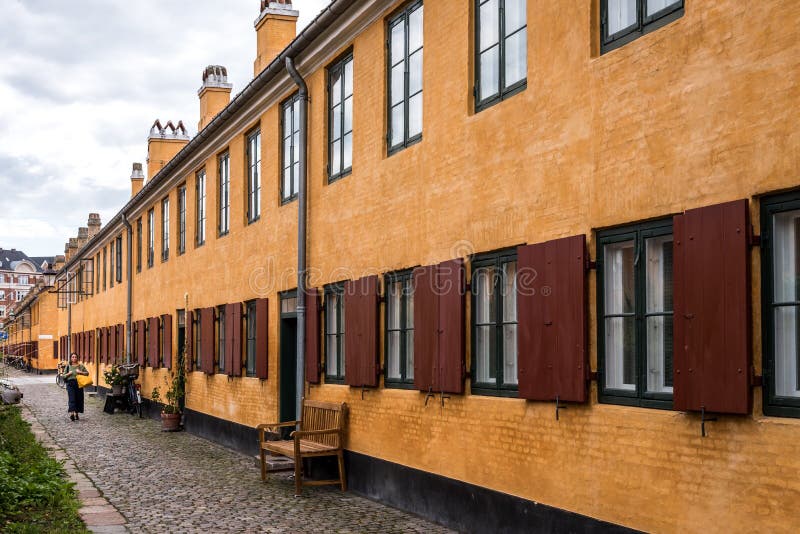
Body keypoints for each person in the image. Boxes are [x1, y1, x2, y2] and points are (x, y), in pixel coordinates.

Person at [62, 353, 89, 421]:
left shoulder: (80, 366)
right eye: (72, 357)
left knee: (78, 399)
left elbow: (87, 373)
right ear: (70, 358)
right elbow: (63, 376)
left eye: (75, 357)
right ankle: (71, 414)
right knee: (72, 399)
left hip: (79, 384)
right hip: (70, 384)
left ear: (77, 358)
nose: (74, 358)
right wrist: (69, 373)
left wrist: (80, 372)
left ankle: (76, 413)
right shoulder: (68, 366)